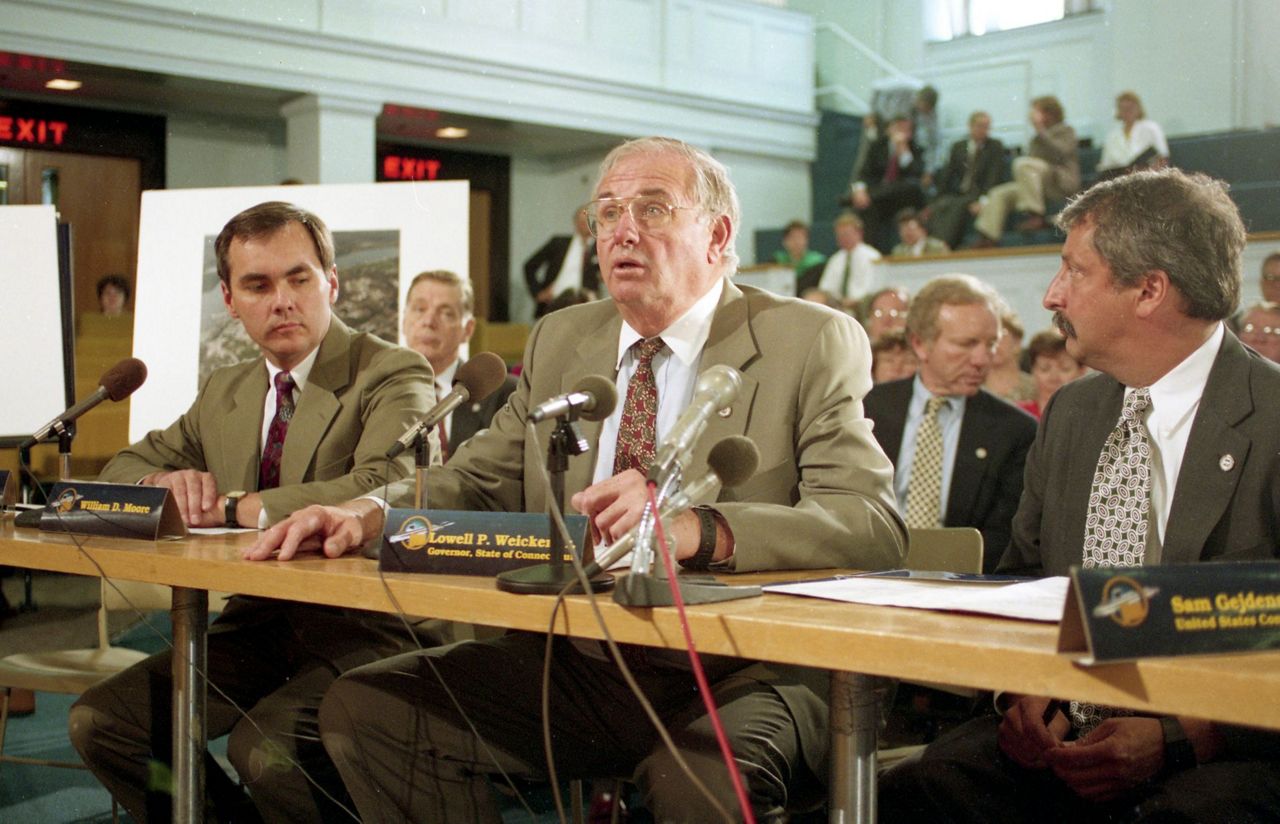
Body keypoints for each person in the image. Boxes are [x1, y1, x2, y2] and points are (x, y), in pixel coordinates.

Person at [252, 136, 906, 822]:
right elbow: (477, 477)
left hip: (743, 664)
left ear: (717, 234)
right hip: (584, 658)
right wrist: (368, 512)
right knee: (369, 711)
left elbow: (870, 523)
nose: (622, 230)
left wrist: (697, 529)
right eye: (607, 212)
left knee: (698, 781)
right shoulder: (563, 338)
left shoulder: (808, 340)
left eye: (652, 209)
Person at [880, 168, 1280, 823]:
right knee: (922, 789)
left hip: (1226, 751)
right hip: (1059, 734)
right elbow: (1026, 578)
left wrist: (1183, 736)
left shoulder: (1271, 418)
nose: (1050, 295)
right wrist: (1021, 696)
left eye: (1073, 271)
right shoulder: (1072, 411)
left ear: (1149, 290)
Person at [69, 201, 436, 823]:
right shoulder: (226, 389)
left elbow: (390, 480)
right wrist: (165, 479)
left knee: (268, 754)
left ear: (333, 283)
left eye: (299, 279)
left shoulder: (391, 371)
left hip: (370, 629)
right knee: (102, 723)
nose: (282, 301)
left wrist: (240, 507)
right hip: (257, 623)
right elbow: (123, 467)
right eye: (258, 285)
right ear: (230, 299)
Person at [863, 275, 1036, 572]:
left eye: (991, 344)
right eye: (967, 344)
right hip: (865, 577)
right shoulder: (866, 409)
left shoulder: (1016, 431)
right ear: (920, 344)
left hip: (961, 587)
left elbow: (1002, 541)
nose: (983, 359)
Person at [402, 269, 516, 457]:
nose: (428, 321)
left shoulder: (503, 394)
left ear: (468, 330)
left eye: (446, 313)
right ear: (404, 320)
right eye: (419, 309)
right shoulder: (381, 390)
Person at [972, 96, 1081, 245]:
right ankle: (989, 236)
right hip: (1037, 186)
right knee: (999, 193)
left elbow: (1062, 153)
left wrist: (1041, 130)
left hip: (1058, 182)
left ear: (1050, 113)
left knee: (1024, 164)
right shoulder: (1036, 138)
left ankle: (1035, 215)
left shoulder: (1066, 131)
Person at [926, 111, 1007, 250]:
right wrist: (935, 201)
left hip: (977, 193)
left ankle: (944, 244)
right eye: (980, 126)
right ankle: (932, 242)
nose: (983, 130)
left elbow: (993, 177)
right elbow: (947, 175)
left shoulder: (995, 146)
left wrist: (983, 200)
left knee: (959, 206)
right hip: (958, 192)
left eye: (986, 127)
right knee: (942, 205)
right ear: (970, 126)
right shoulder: (958, 146)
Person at [850, 114, 927, 253]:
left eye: (906, 129)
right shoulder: (877, 147)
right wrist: (860, 191)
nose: (902, 133)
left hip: (902, 197)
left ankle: (869, 196)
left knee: (906, 187)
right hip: (879, 198)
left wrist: (903, 150)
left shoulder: (916, 149)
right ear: (889, 129)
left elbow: (915, 173)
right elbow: (864, 172)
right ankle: (872, 251)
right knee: (865, 207)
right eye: (899, 128)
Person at [523, 208, 600, 317]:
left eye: (588, 221)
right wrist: (537, 292)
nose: (584, 225)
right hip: (554, 303)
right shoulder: (558, 243)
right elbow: (529, 266)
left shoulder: (600, 248)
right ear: (575, 223)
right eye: (581, 221)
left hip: (585, 306)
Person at [1096, 91, 1169, 180]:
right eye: (1123, 108)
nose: (1127, 112)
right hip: (1121, 180)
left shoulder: (1151, 128)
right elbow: (1106, 166)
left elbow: (1162, 158)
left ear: (1138, 109)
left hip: (1149, 178)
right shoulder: (1112, 136)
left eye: (1130, 108)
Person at [817, 212, 882, 308]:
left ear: (859, 233)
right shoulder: (835, 259)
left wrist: (854, 300)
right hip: (837, 305)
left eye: (846, 234)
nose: (843, 238)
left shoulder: (873, 257)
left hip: (863, 304)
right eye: (839, 235)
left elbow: (874, 287)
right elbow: (825, 287)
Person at [1017, 329, 1086, 419]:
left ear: (1082, 371)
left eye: (1064, 369)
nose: (1054, 378)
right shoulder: (1019, 415)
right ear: (1033, 370)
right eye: (1044, 368)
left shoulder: (1090, 415)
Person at [983, 311, 1036, 403]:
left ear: (1017, 342)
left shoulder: (1036, 388)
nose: (993, 342)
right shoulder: (972, 386)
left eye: (1001, 335)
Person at [772, 219, 826, 286]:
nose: (797, 242)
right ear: (784, 241)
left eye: (800, 237)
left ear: (807, 240)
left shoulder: (818, 263)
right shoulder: (776, 261)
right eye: (792, 237)